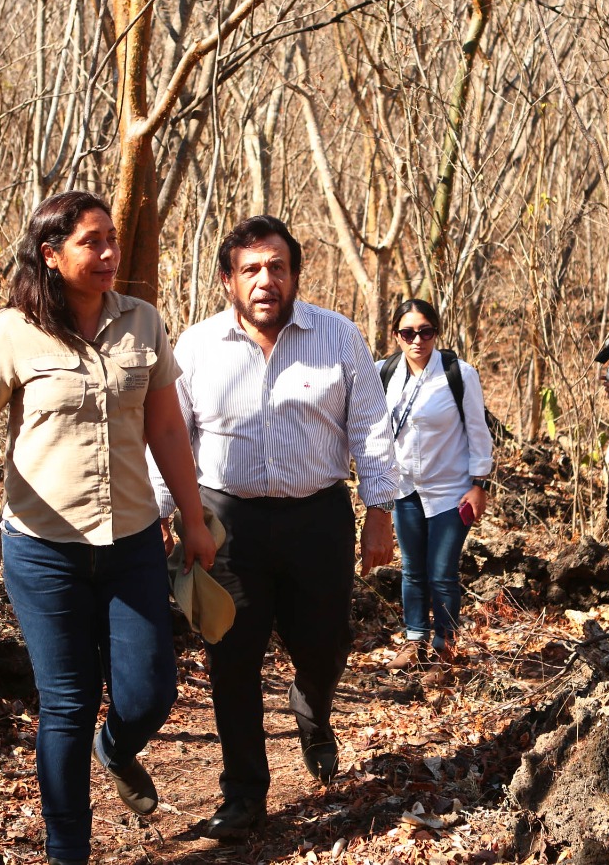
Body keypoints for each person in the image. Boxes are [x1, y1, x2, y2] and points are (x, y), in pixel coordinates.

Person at [0, 191, 215, 865]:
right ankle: (67, 851)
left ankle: (118, 749)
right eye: (92, 242)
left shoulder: (142, 322)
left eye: (112, 239)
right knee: (68, 703)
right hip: (43, 550)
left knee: (150, 692)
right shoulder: (11, 332)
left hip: (133, 540)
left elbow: (166, 428)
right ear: (51, 255)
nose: (110, 253)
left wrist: (192, 520)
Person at [154, 214, 399, 841]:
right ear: (228, 280)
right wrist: (167, 514)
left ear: (295, 274)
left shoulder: (338, 338)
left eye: (278, 268)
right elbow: (171, 436)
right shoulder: (196, 347)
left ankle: (312, 708)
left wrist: (380, 512)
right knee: (230, 657)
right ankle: (244, 795)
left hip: (316, 517)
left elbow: (370, 426)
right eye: (252, 269)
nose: (267, 280)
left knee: (323, 643)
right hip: (224, 521)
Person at [377, 299, 494, 669]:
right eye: (408, 332)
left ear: (436, 333)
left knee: (442, 571)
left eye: (426, 331)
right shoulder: (384, 373)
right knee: (412, 569)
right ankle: (415, 641)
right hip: (405, 489)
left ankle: (446, 648)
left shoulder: (459, 374)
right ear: (396, 335)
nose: (417, 340)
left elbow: (478, 431)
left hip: (451, 490)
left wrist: (479, 484)